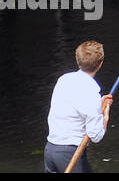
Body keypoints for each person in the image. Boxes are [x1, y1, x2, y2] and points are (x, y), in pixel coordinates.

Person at [44, 40, 113, 173]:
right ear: (100, 64)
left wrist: (99, 105)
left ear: (78, 60)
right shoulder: (91, 92)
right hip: (69, 154)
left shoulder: (64, 79)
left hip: (50, 150)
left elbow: (74, 105)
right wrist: (106, 113)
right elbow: (95, 134)